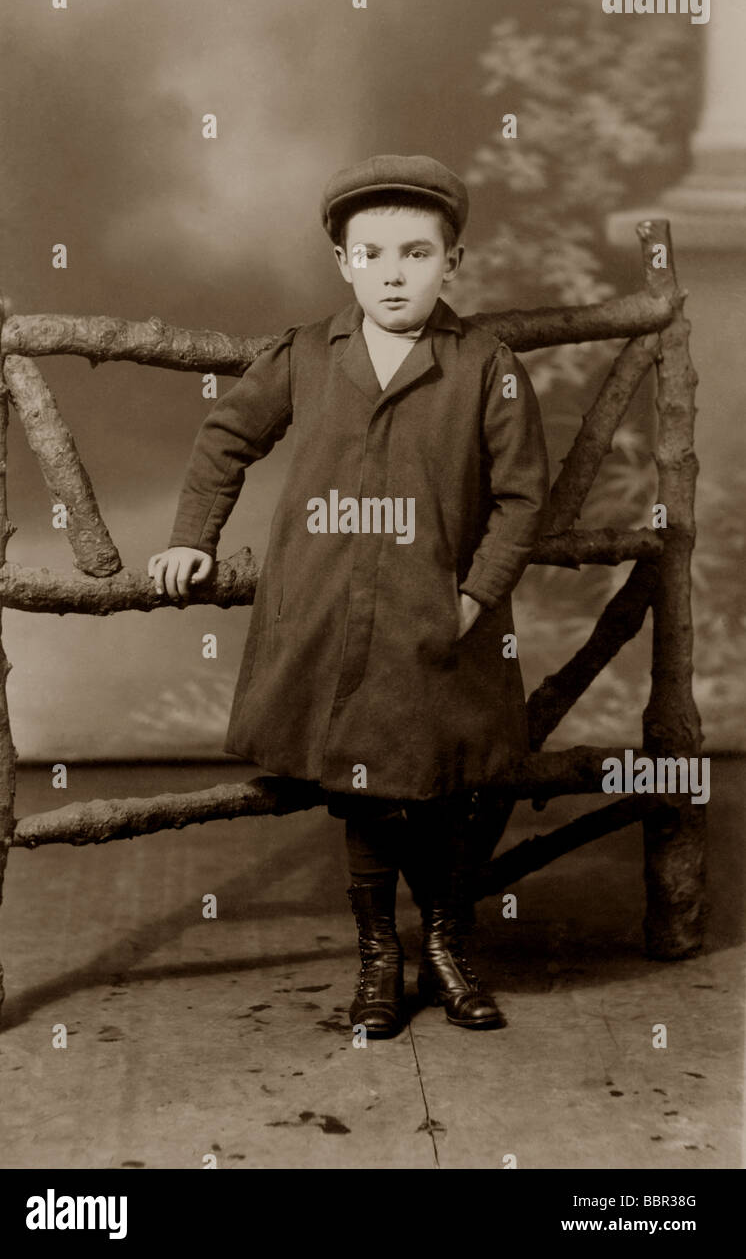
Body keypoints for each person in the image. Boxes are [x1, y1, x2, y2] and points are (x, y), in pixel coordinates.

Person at [148, 154, 549, 1038]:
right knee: (366, 785)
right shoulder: (305, 354)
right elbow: (225, 438)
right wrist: (191, 538)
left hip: (442, 621)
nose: (393, 272)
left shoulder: (487, 364)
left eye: (416, 252)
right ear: (342, 263)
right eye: (371, 254)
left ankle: (447, 942)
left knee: (445, 782)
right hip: (330, 612)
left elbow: (524, 497)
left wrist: (476, 598)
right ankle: (380, 958)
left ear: (455, 263)